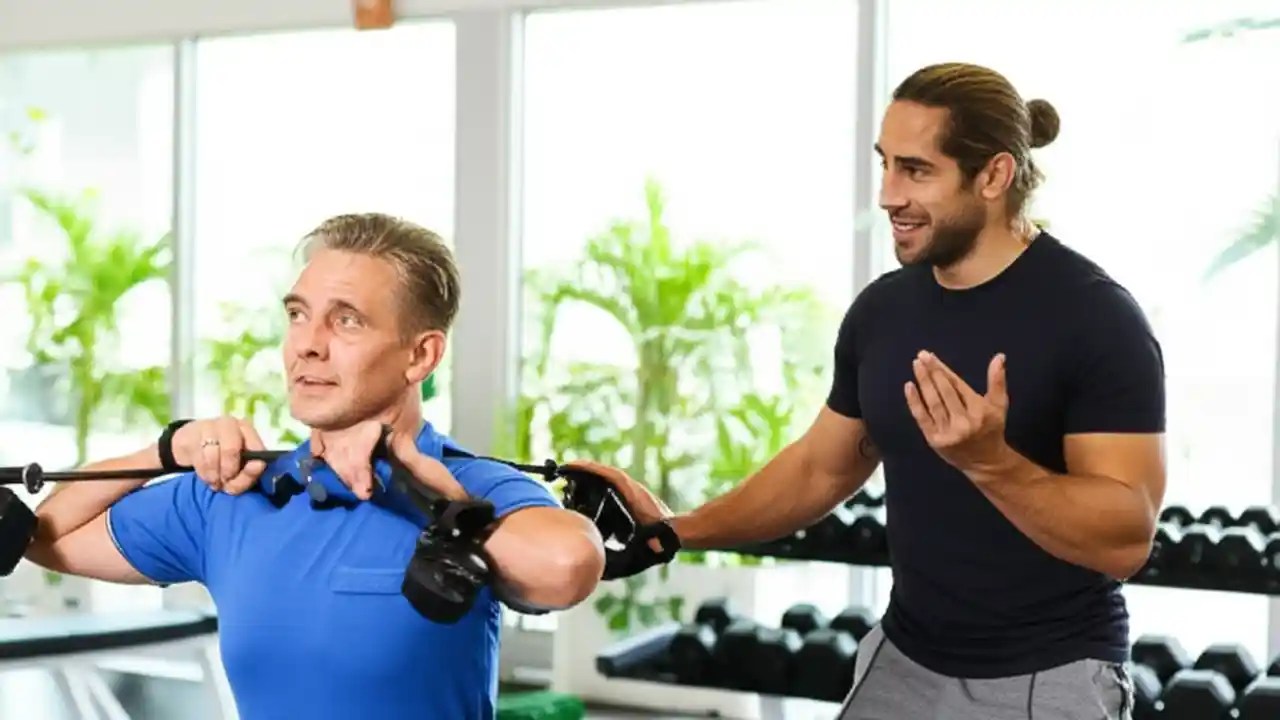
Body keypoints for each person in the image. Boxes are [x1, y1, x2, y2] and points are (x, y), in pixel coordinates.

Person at [574, 62, 1165, 719]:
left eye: (916, 170)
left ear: (994, 176)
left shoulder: (1094, 317)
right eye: (885, 164)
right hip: (905, 660)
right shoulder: (884, 312)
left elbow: (1126, 540)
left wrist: (991, 463)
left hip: (1046, 674)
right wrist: (676, 531)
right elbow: (819, 468)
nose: (887, 194)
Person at [23, 212, 607, 720]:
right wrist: (165, 450)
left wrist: (423, 490)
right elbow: (44, 536)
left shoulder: (473, 487)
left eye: (347, 320)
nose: (308, 344)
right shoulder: (234, 496)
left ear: (421, 354)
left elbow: (567, 566)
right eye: (299, 314)